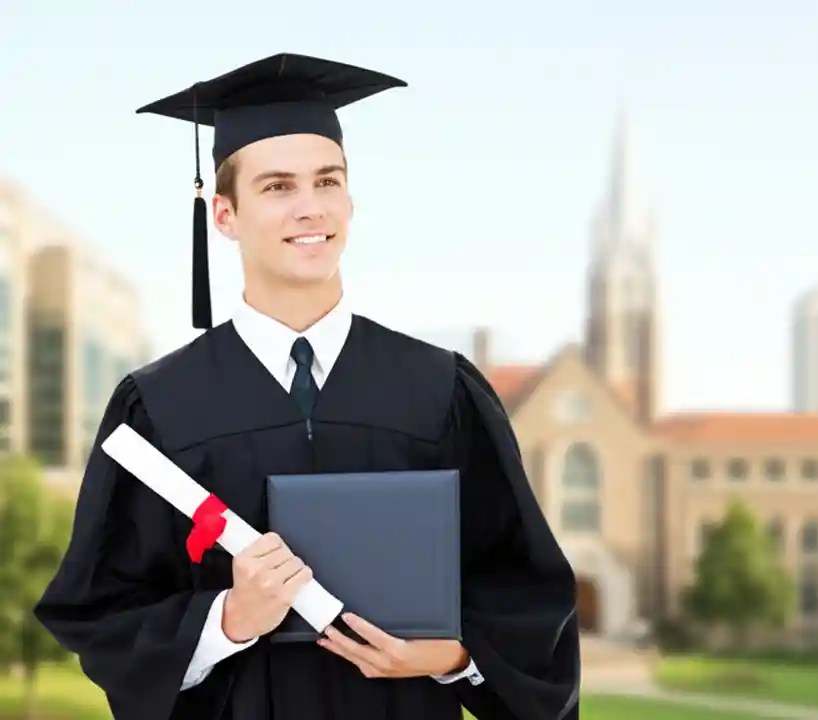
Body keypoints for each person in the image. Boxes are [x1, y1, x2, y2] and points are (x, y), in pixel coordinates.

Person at [33, 53, 580, 720]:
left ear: (351, 199)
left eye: (328, 181)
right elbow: (103, 613)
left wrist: (452, 656)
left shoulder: (439, 391)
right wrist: (228, 618)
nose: (311, 207)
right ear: (225, 215)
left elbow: (529, 596)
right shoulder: (160, 407)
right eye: (277, 187)